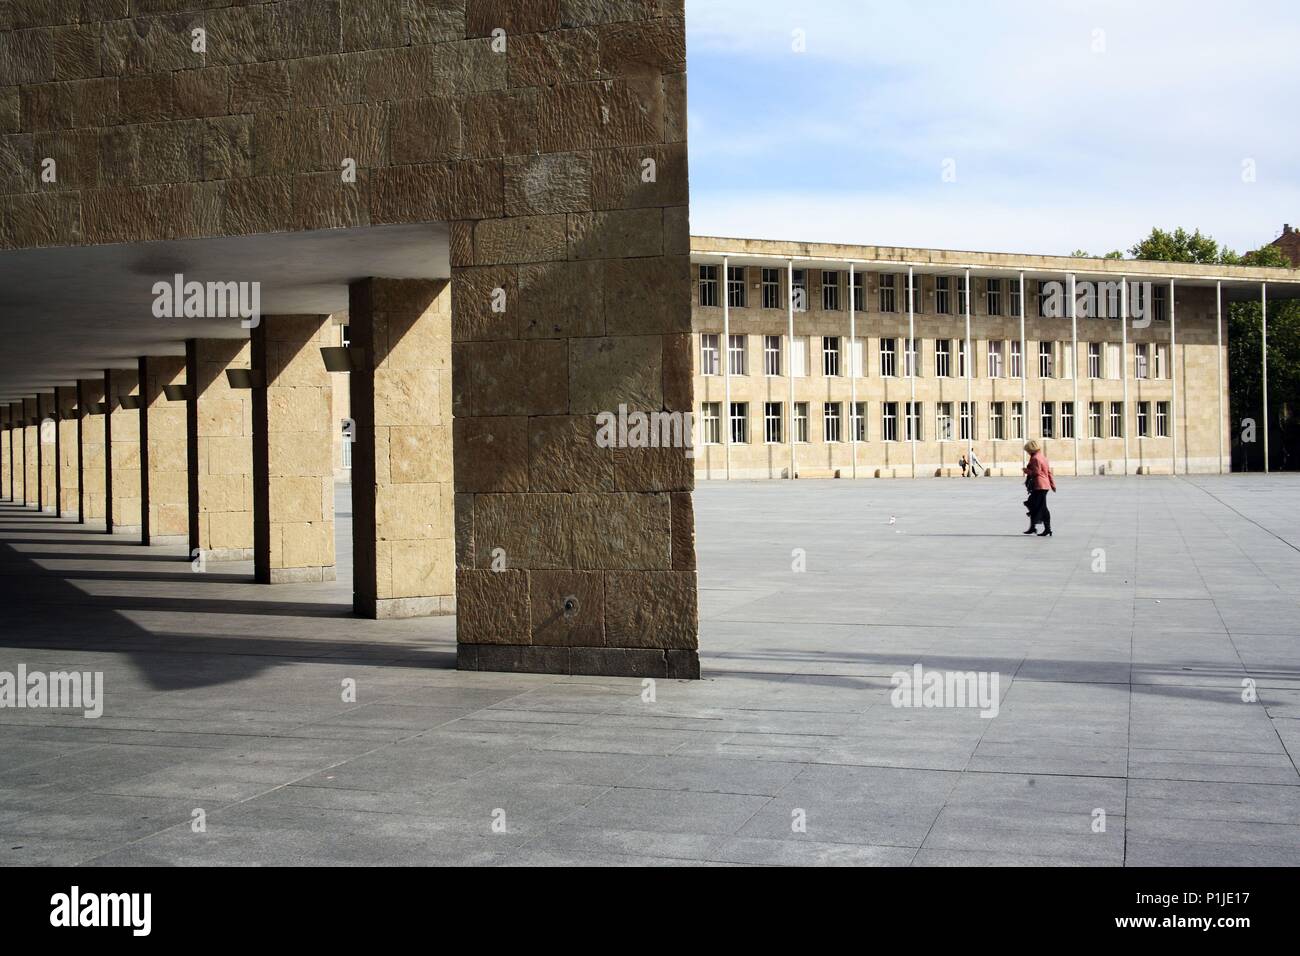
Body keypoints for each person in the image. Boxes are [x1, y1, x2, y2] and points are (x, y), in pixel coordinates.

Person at [1022, 438, 1056, 536]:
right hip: (1044, 485)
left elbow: (1036, 473)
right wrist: (1052, 484)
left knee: (1035, 505)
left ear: (1031, 449)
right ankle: (1040, 528)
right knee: (1038, 506)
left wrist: (1026, 471)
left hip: (1039, 485)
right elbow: (1048, 472)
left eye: (1028, 450)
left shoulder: (1035, 458)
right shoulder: (1042, 457)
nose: (1028, 452)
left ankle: (1039, 528)